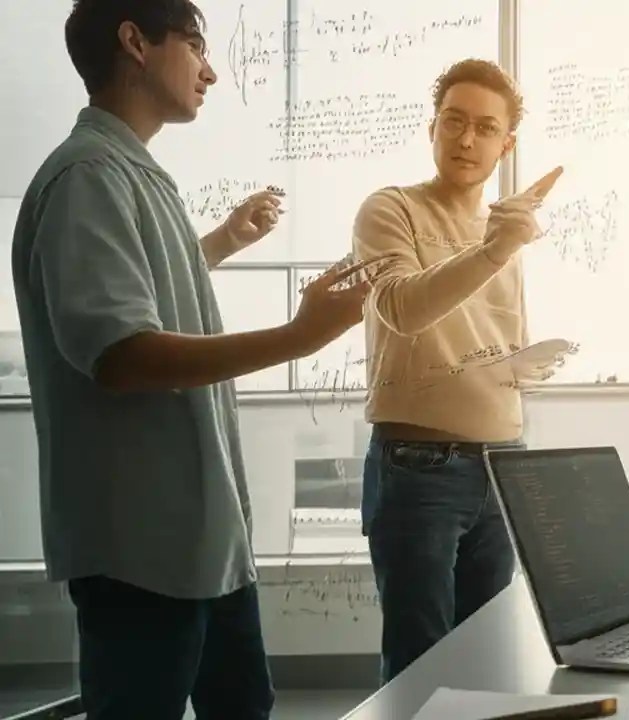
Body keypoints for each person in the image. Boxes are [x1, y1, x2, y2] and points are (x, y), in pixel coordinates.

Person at [10, 2, 377, 718]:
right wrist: (299, 337)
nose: (210, 71)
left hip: (202, 544)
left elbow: (140, 296)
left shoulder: (131, 173)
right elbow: (122, 353)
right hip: (143, 555)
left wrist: (220, 242)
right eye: (196, 45)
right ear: (134, 43)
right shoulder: (87, 176)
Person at [351, 58, 564, 683]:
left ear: (508, 142)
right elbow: (402, 307)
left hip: (503, 462)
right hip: (418, 464)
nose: (467, 140)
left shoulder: (505, 228)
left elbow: (501, 338)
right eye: (454, 122)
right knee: (421, 664)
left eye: (485, 128)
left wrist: (526, 367)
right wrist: (496, 248)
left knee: (490, 658)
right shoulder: (389, 209)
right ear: (433, 128)